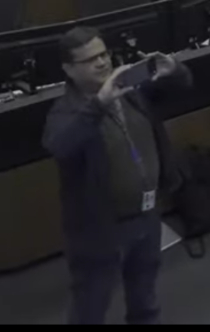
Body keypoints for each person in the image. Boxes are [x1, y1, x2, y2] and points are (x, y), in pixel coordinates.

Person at [43, 26, 193, 326]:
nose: (102, 63)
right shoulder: (66, 111)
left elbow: (183, 87)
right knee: (91, 306)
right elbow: (59, 145)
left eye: (103, 54)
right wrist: (100, 103)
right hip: (101, 232)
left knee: (145, 298)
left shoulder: (132, 91)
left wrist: (172, 69)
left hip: (147, 217)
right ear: (69, 69)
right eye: (90, 60)